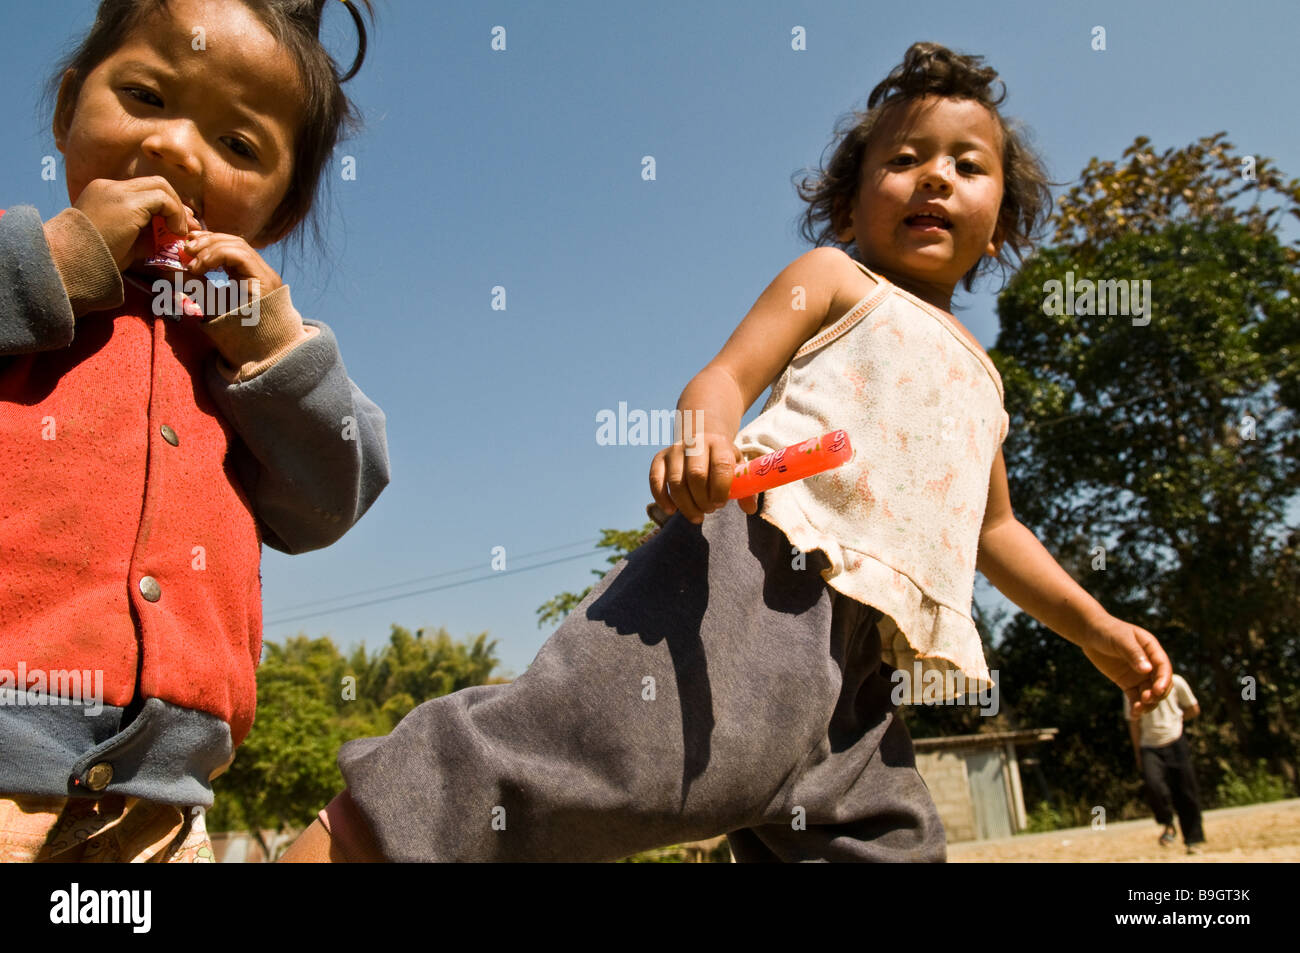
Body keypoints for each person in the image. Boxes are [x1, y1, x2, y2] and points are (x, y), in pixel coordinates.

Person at [284, 41, 1170, 863]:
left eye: (967, 166)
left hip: (860, 671)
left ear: (1003, 221)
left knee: (883, 840)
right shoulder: (836, 280)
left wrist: (1100, 631)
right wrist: (703, 441)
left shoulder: (983, 379)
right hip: (756, 583)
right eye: (904, 160)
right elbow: (720, 379)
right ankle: (359, 835)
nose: (935, 177)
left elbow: (997, 532)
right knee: (580, 756)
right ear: (848, 202)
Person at [0, 0, 389, 862]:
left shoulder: (247, 360)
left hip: (161, 809)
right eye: (145, 95)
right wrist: (54, 264)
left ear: (280, 214)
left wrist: (275, 349)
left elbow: (331, 498)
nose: (175, 148)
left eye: (240, 145)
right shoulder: (18, 267)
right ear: (67, 111)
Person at [1127, 672, 1205, 854]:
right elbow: (1133, 722)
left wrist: (1176, 718)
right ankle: (1168, 823)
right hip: (1149, 746)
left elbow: (1194, 709)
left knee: (1186, 791)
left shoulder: (1176, 682)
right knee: (1154, 786)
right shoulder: (1131, 688)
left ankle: (1193, 840)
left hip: (1175, 739)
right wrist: (1138, 752)